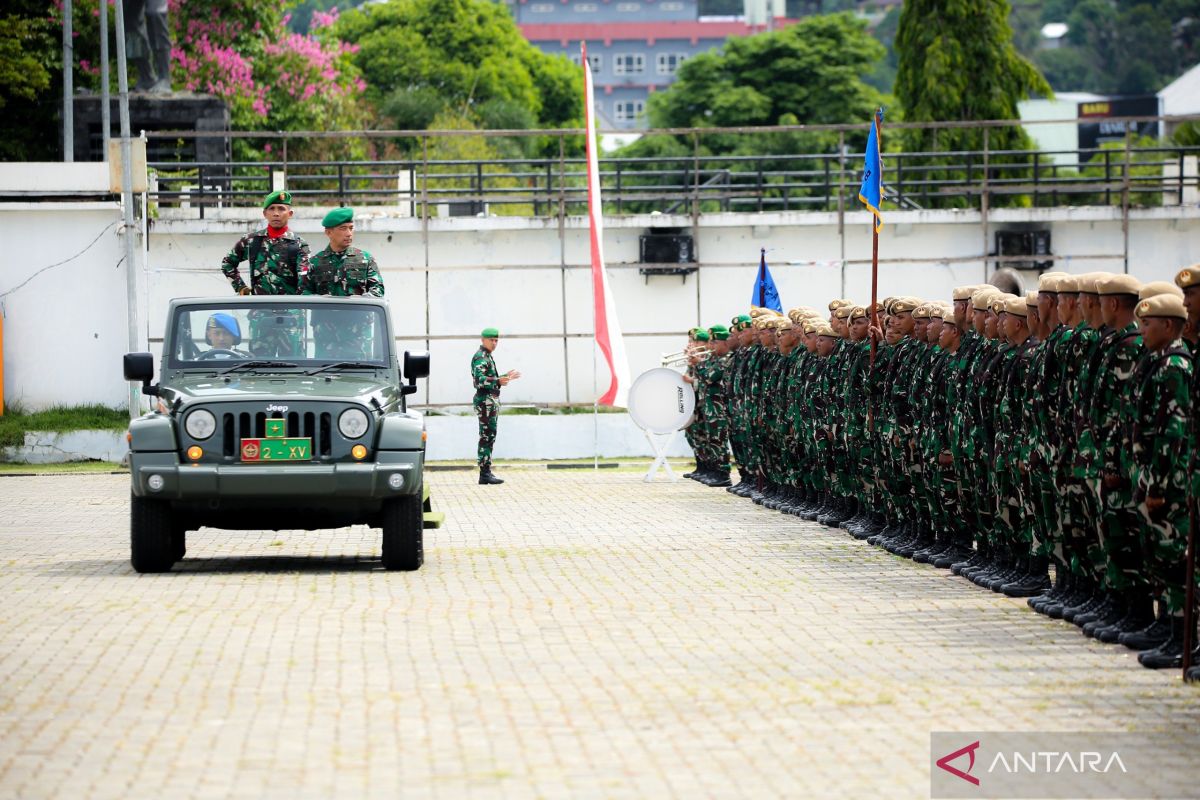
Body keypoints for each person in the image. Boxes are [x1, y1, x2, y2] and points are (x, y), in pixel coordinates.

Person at [220, 190, 312, 358]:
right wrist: (241, 288)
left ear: (290, 213)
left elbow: (305, 280)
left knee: (294, 368)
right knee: (259, 366)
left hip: (290, 319)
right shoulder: (251, 241)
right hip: (260, 318)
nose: (276, 213)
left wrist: (297, 306)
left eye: (281, 209)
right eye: (272, 209)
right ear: (265, 213)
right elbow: (228, 264)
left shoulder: (298, 245)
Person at [301, 207, 385, 360]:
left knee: (359, 378)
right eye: (343, 228)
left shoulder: (364, 259)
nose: (349, 233)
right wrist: (319, 300)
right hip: (326, 336)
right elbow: (303, 292)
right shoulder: (315, 262)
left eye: (351, 228)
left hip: (358, 335)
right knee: (324, 377)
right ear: (328, 232)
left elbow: (377, 289)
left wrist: (363, 300)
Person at [472, 328, 521, 485]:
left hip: (490, 400)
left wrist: (504, 377)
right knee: (486, 436)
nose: (494, 343)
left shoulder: (487, 356)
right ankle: (484, 473)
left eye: (496, 340)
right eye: (491, 340)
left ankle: (485, 472)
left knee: (490, 435)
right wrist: (498, 381)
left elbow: (491, 379)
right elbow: (479, 380)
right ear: (483, 340)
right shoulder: (480, 357)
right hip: (485, 400)